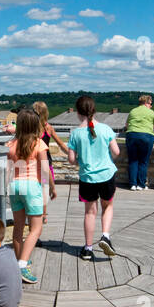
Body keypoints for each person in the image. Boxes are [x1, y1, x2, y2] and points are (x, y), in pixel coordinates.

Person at [67, 94, 121, 261]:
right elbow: (117, 152)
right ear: (94, 110)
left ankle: (88, 249)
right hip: (106, 175)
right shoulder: (105, 129)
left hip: (87, 178)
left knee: (90, 213)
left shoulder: (75, 134)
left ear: (78, 112)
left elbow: (71, 159)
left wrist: (81, 160)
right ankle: (105, 236)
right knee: (108, 206)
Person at [7, 107, 50, 284]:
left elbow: (9, 169)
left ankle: (19, 260)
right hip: (31, 186)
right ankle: (22, 265)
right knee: (36, 228)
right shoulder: (39, 144)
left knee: (18, 228)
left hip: (14, 186)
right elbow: (45, 172)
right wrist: (47, 194)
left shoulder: (10, 144)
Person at [32, 101, 66, 222]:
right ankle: (43, 215)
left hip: (33, 163)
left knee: (35, 188)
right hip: (46, 162)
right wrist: (71, 154)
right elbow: (60, 144)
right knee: (44, 188)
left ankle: (33, 213)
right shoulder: (48, 128)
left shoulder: (31, 128)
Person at [124, 94, 154, 190]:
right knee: (143, 161)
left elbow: (126, 124)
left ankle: (132, 184)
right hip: (146, 136)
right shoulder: (150, 112)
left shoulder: (133, 111)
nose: (151, 105)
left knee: (133, 160)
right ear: (146, 103)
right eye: (151, 103)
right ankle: (141, 184)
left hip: (132, 135)